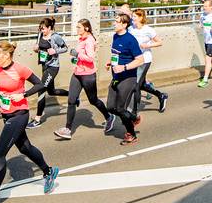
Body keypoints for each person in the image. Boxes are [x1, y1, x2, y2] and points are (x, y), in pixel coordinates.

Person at [0, 40, 59, 203]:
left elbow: (41, 84)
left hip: (19, 114)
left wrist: (23, 94)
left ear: (6, 55)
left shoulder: (20, 69)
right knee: (25, 148)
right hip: (6, 113)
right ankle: (49, 171)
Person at [54, 19, 111, 140]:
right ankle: (67, 129)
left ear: (86, 28)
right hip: (77, 74)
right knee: (71, 100)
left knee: (93, 100)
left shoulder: (90, 40)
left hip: (88, 75)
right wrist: (76, 59)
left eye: (79, 27)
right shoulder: (81, 39)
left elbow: (90, 59)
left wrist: (77, 55)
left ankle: (109, 117)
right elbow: (81, 56)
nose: (77, 29)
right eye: (77, 27)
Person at [105, 13, 145, 145]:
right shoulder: (115, 36)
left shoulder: (130, 40)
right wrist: (110, 62)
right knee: (110, 107)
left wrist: (124, 67)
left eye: (116, 22)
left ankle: (131, 134)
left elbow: (140, 60)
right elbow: (116, 53)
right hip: (116, 77)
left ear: (124, 24)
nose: (114, 23)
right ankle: (133, 118)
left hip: (128, 78)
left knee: (121, 109)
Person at [28, 18, 70, 129]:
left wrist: (55, 51)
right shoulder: (40, 35)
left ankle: (37, 119)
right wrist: (36, 49)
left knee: (41, 89)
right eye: (41, 29)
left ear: (50, 28)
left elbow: (65, 48)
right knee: (51, 91)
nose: (42, 31)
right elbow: (39, 48)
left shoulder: (55, 37)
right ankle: (72, 95)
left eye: (44, 29)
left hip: (53, 67)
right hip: (44, 66)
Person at [129, 9, 168, 114]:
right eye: (132, 16)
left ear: (141, 18)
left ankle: (134, 112)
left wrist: (148, 45)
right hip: (134, 60)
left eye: (135, 17)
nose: (132, 18)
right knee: (141, 85)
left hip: (145, 60)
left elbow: (160, 42)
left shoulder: (148, 30)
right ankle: (161, 96)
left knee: (135, 85)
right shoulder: (130, 29)